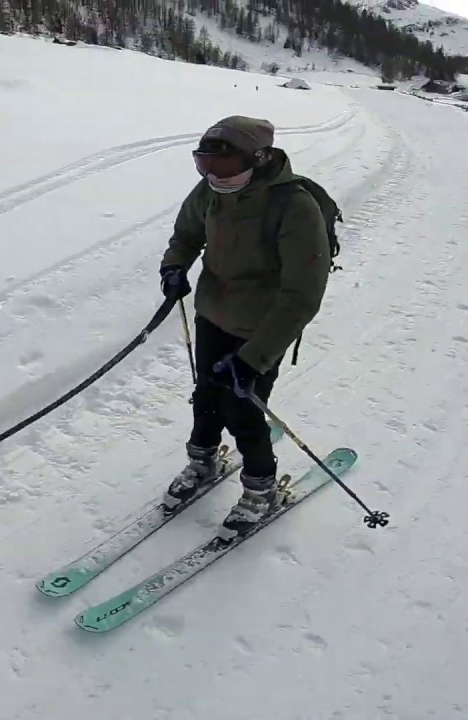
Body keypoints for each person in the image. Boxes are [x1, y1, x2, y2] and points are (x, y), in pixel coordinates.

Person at [157, 115, 331, 538]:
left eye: (224, 166)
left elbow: (302, 295)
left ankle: (262, 488)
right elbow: (187, 232)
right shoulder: (212, 191)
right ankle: (203, 459)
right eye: (204, 165)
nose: (214, 175)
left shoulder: (294, 206)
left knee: (243, 407)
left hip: (262, 325)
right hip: (213, 313)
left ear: (258, 158)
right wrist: (174, 265)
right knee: (205, 393)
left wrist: (254, 358)